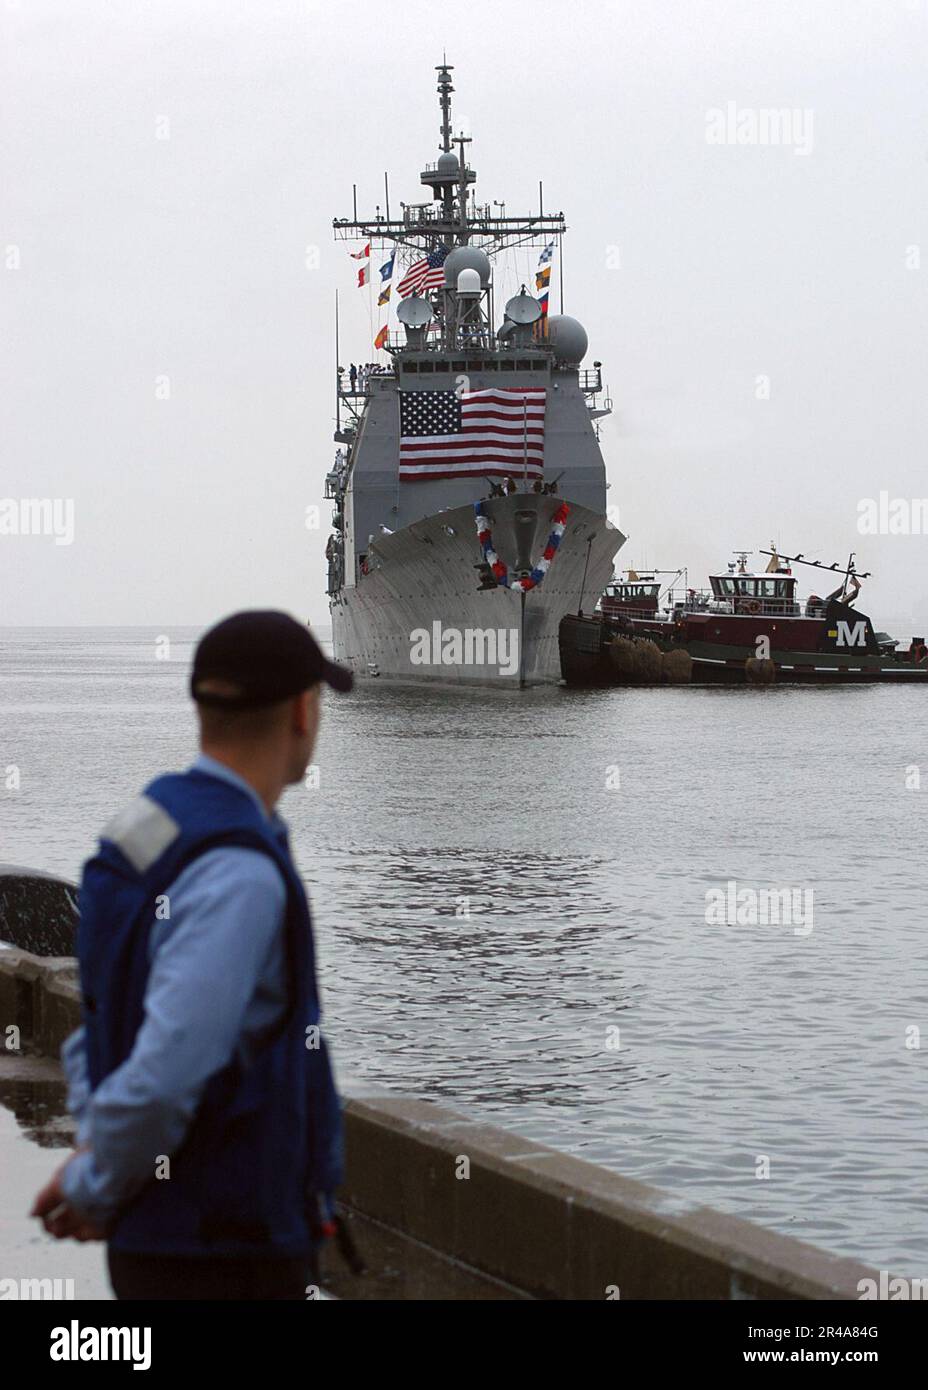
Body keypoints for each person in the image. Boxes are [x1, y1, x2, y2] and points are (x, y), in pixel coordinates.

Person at [31, 611, 353, 1300]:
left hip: (159, 1240)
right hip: (225, 1251)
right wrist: (94, 1186)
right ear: (302, 711)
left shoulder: (144, 827)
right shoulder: (240, 872)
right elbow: (169, 1070)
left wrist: (100, 1159)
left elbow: (100, 1023)